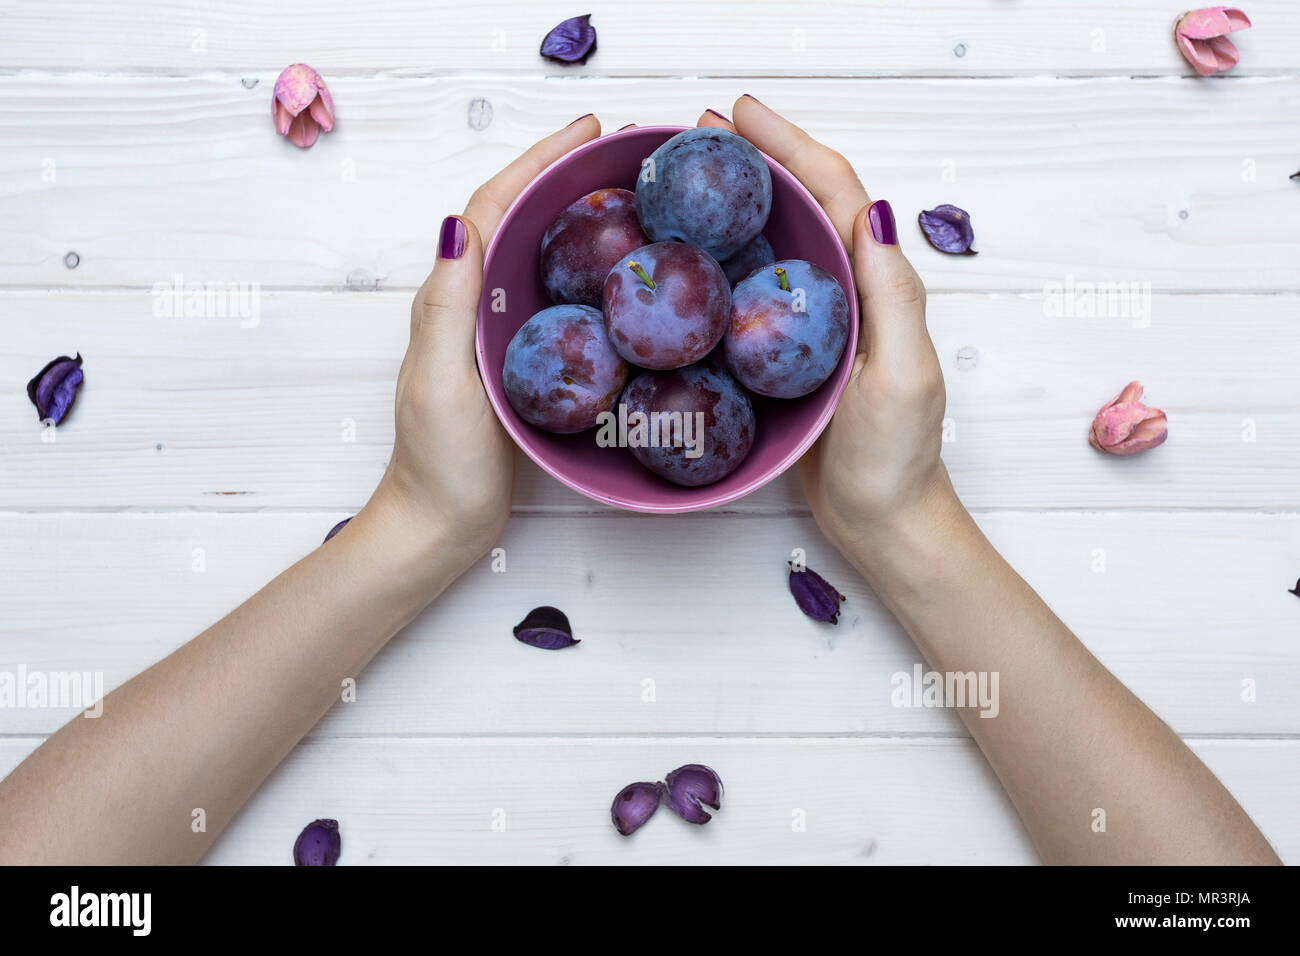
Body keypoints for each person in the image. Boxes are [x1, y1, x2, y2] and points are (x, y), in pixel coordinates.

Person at [0, 96, 1279, 866]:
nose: (647, 287)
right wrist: (906, 524)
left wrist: (419, 524)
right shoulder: (625, 320)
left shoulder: (671, 314)